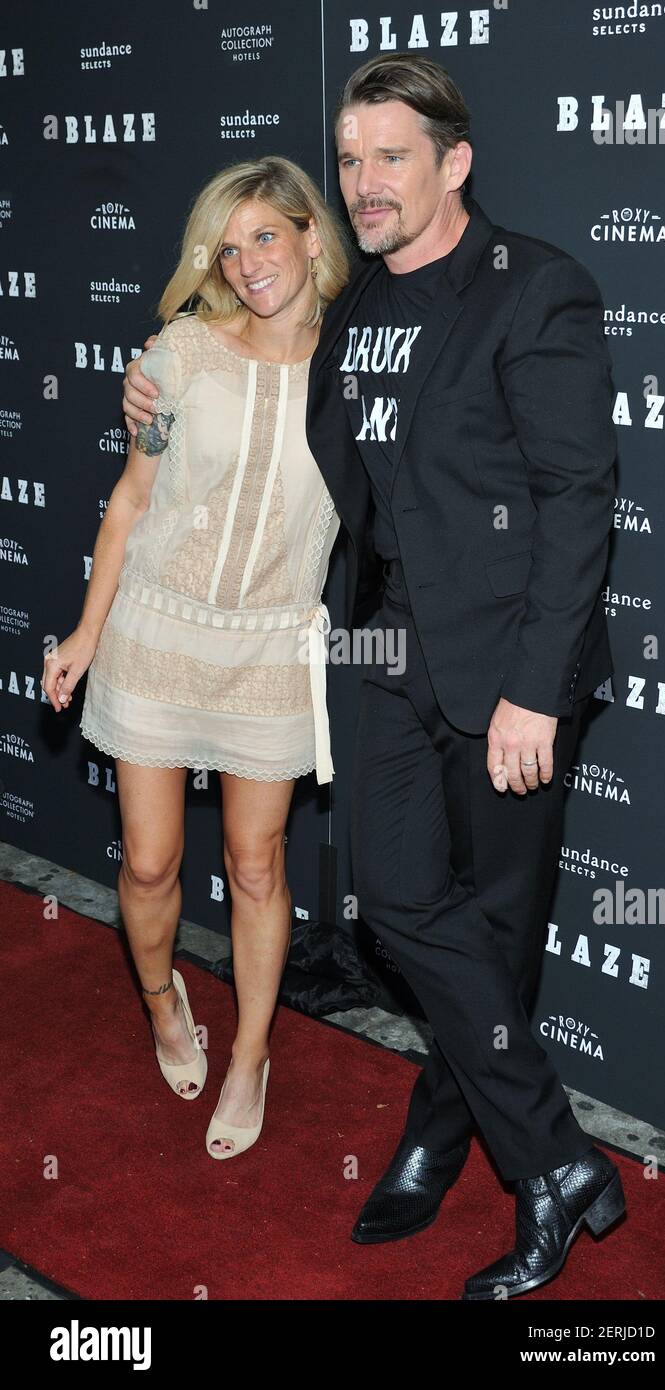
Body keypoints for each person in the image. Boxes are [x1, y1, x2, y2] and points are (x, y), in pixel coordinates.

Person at [123, 56, 627, 1300]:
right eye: (349, 161)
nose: (364, 183)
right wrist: (152, 400)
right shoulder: (351, 312)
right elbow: (255, 348)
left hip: (508, 673)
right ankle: (554, 1157)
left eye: (390, 156)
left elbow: (579, 500)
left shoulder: (537, 290)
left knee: (497, 937)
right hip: (383, 652)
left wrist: (538, 688)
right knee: (401, 907)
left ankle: (455, 1139)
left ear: (455, 164)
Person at [42, 156, 349, 1161]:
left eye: (268, 234)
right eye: (230, 242)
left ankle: (251, 1053)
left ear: (313, 236)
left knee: (258, 867)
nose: (248, 259)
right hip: (158, 630)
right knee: (151, 860)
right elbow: (132, 500)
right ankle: (163, 1003)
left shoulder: (360, 365)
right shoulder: (177, 353)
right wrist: (86, 633)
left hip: (270, 643)